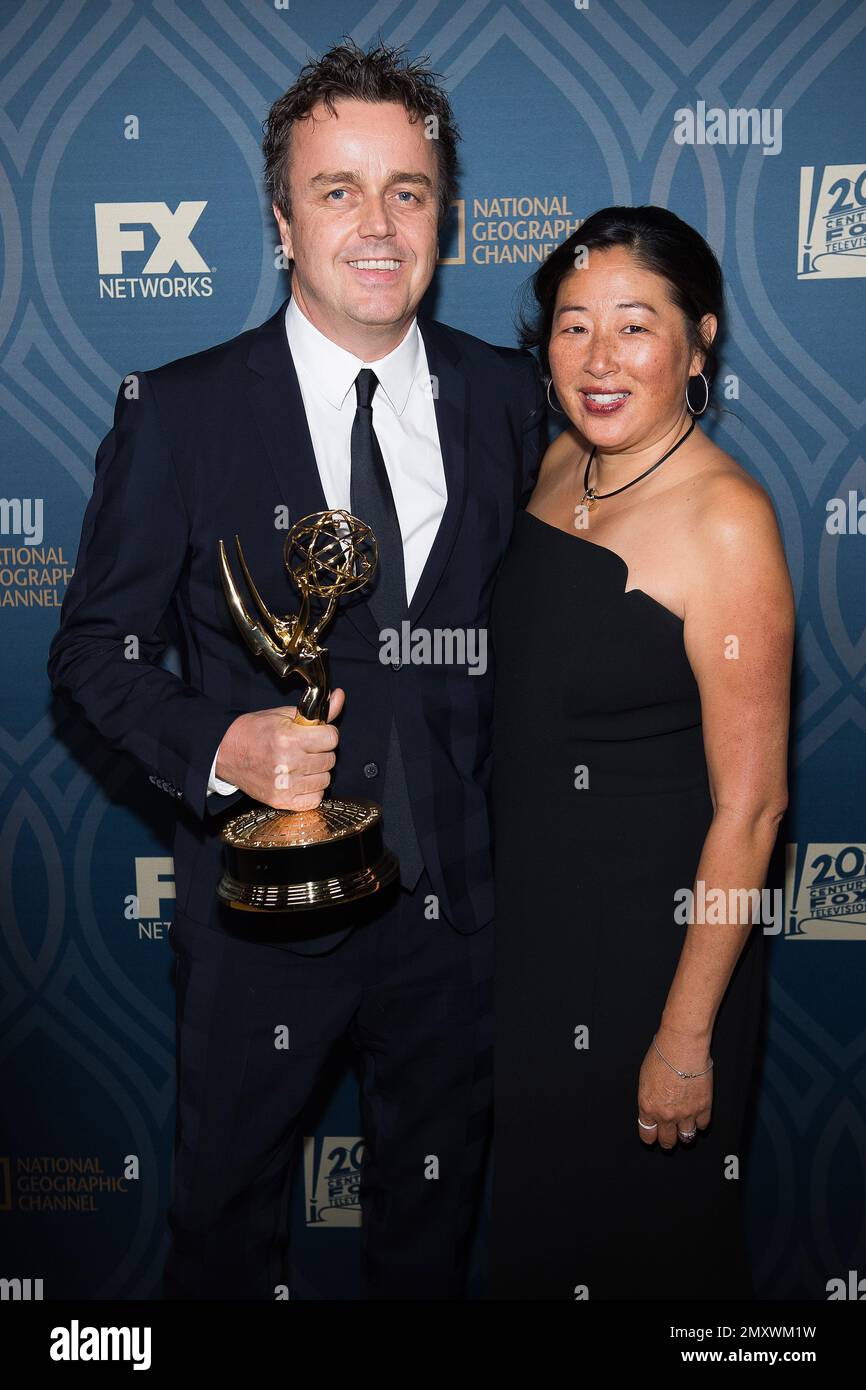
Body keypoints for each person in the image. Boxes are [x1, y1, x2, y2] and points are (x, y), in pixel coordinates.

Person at [47, 40, 545, 1300]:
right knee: (221, 1242)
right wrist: (224, 749)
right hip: (258, 926)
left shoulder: (511, 400)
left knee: (427, 1256)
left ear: (444, 213)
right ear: (280, 219)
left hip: (459, 928)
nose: (376, 226)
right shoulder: (179, 410)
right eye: (337, 190)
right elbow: (90, 655)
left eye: (407, 191)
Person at [488, 206, 794, 1300]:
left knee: (642, 1253)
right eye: (572, 327)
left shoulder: (724, 520)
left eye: (633, 326)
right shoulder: (559, 461)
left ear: (697, 340)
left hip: (648, 962)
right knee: (531, 1239)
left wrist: (681, 1033)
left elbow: (750, 809)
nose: (598, 358)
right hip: (528, 948)